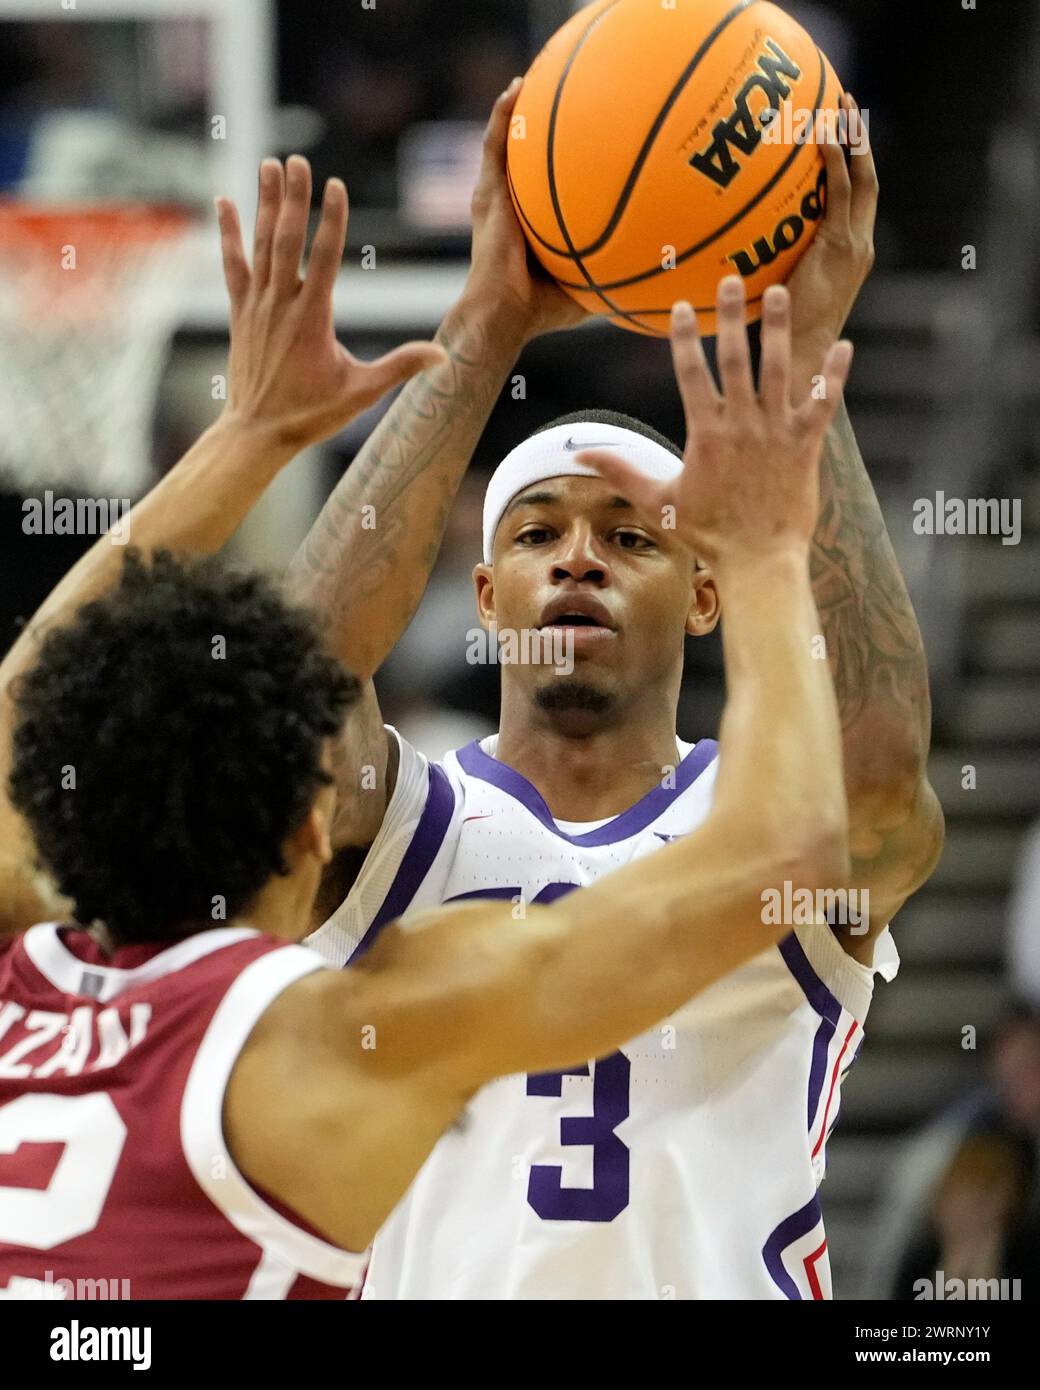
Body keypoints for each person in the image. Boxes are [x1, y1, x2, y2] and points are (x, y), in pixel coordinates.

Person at [0, 156, 852, 1299]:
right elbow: (785, 853)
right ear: (312, 825)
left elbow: (29, 705)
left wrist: (247, 434)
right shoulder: (330, 1039)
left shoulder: (25, 983)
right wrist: (762, 551)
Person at [289, 84, 946, 1298]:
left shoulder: (764, 831)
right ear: (483, 597)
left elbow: (877, 781)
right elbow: (283, 705)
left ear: (709, 596)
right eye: (537, 534)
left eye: (633, 538)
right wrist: (484, 327)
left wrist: (798, 364)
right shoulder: (399, 832)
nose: (580, 556)